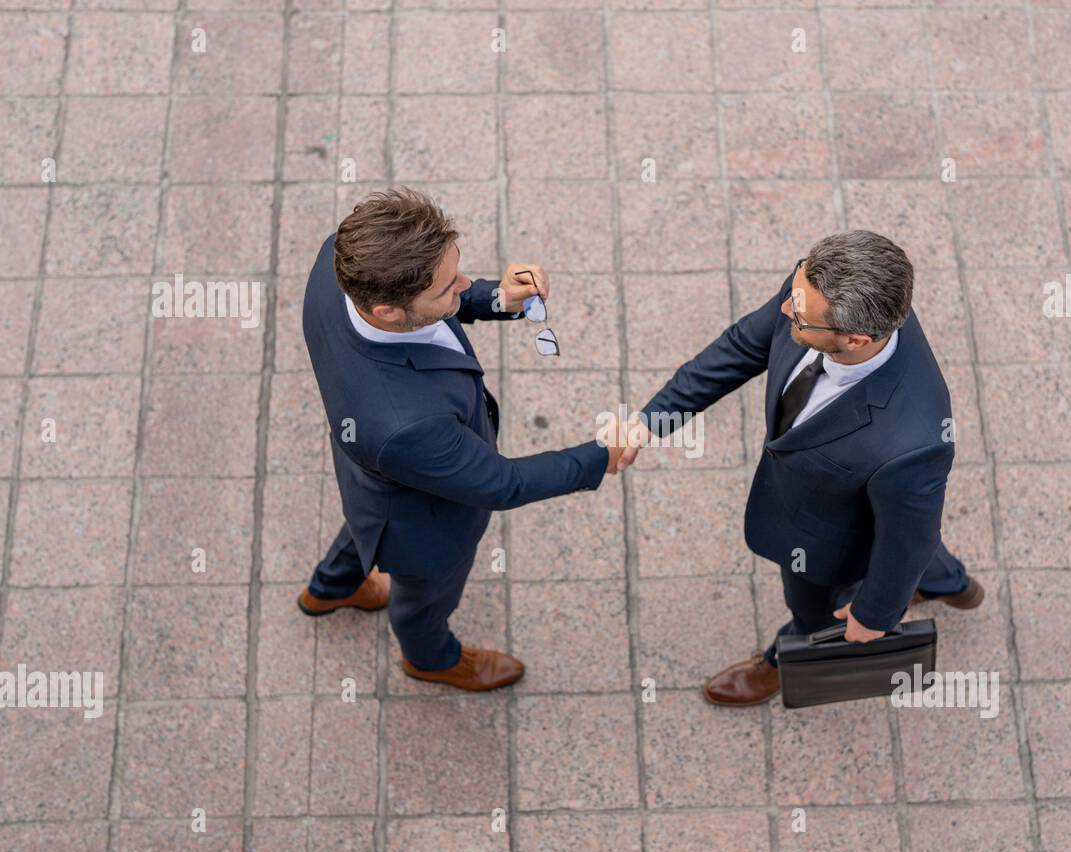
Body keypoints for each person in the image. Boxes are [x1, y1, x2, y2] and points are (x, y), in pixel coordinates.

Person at [617, 230, 984, 706]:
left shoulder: (913, 444)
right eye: (793, 294)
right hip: (871, 500)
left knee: (825, 597)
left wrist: (875, 613)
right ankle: (951, 582)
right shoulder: (814, 290)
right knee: (901, 529)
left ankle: (788, 653)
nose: (786, 309)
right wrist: (652, 420)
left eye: (800, 314)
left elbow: (909, 537)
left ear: (855, 339)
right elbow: (742, 348)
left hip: (823, 537)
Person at [296, 187, 628, 691]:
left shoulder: (340, 257)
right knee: (425, 595)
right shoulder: (406, 422)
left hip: (374, 479)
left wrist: (498, 298)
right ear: (386, 310)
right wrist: (599, 456)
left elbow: (444, 300)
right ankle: (430, 659)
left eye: (458, 272)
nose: (466, 284)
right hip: (424, 520)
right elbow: (502, 483)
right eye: (449, 287)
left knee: (367, 525)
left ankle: (329, 589)